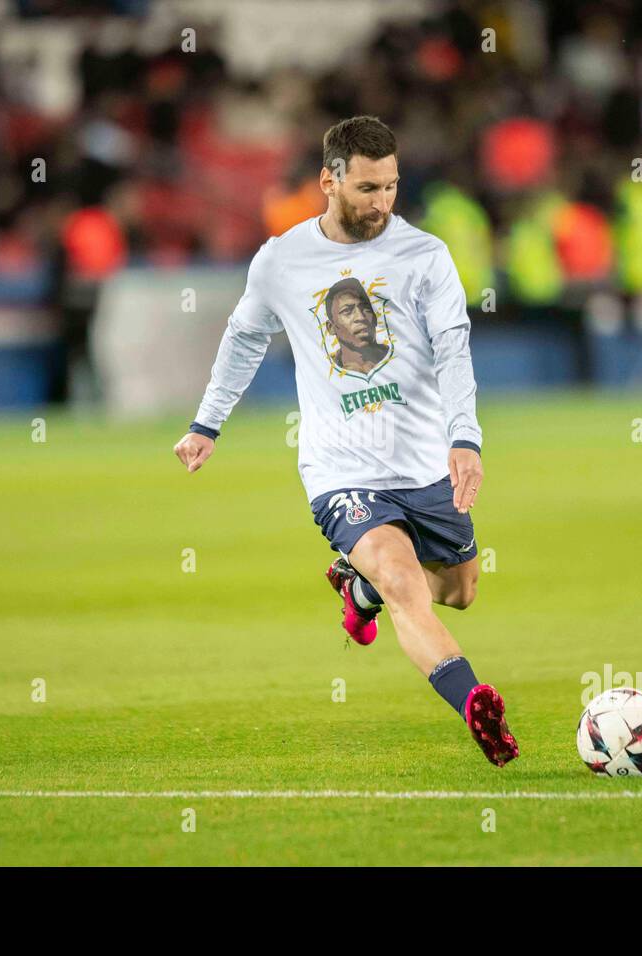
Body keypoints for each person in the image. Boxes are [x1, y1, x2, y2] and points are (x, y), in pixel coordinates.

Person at [172, 116, 518, 767]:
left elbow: (453, 346)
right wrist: (206, 423)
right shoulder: (282, 259)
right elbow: (245, 336)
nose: (381, 202)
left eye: (389, 186)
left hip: (423, 463)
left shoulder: (424, 255)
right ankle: (474, 702)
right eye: (366, 188)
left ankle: (355, 589)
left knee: (459, 591)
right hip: (340, 470)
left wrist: (464, 437)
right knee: (400, 581)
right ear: (328, 180)